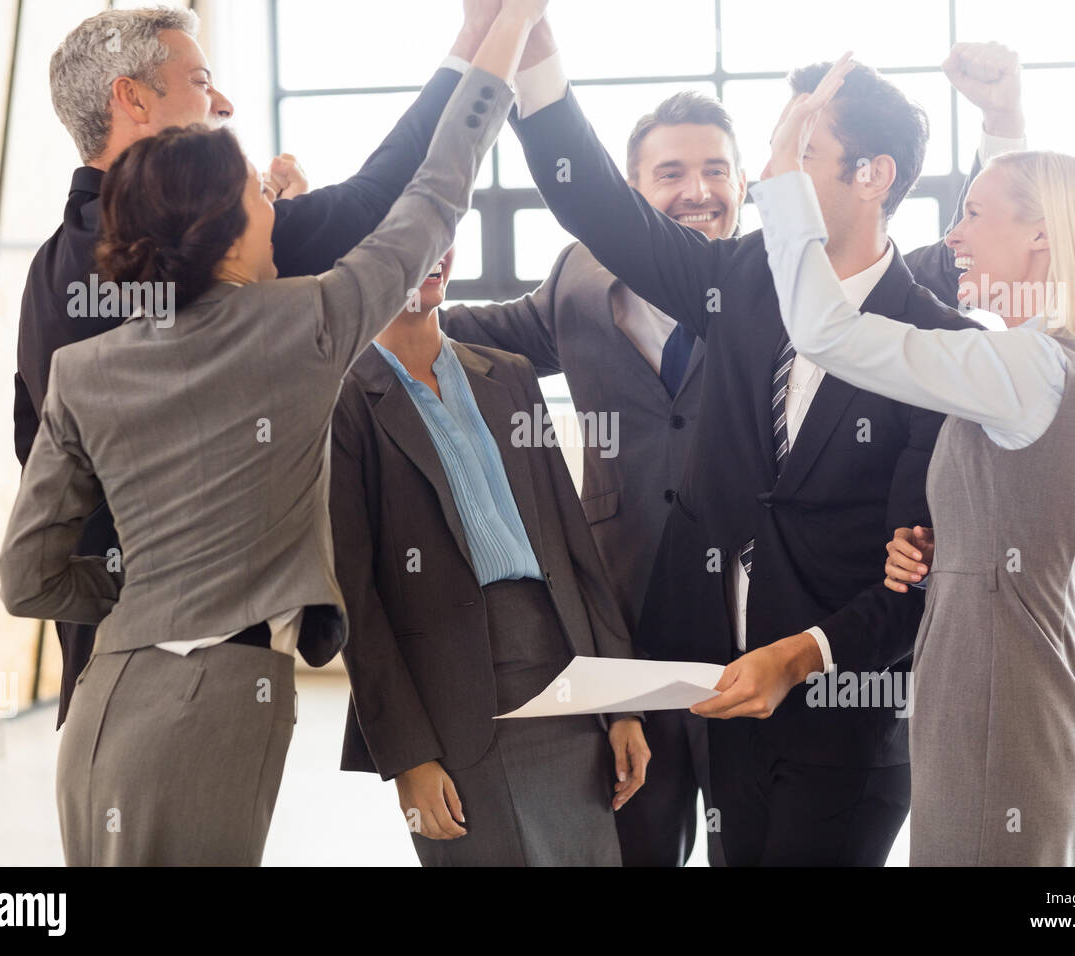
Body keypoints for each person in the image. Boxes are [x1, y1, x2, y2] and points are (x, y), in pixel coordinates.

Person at [0, 2, 541, 865]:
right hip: (211, 694)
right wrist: (502, 38)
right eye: (259, 197)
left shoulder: (65, 314)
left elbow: (28, 570)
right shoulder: (300, 324)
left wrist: (135, 603)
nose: (275, 206)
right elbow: (424, 198)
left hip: (107, 699)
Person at [506, 21, 1022, 866]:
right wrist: (527, 40)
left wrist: (796, 659)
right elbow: (596, 202)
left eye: (799, 148)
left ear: (872, 176)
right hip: (720, 702)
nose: (768, 172)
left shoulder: (938, 346)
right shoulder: (740, 277)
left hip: (843, 724)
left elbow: (912, 580)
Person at [751, 54, 1075, 864]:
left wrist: (781, 177)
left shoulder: (1029, 368)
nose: (953, 235)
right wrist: (957, 556)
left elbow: (828, 333)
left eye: (972, 214)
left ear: (1040, 236)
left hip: (996, 720)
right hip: (1039, 711)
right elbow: (1068, 560)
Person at [438, 87, 745, 867]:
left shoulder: (775, 280)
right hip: (624, 605)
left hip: (751, 613)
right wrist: (361, 295)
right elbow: (494, 335)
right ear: (630, 193)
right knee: (636, 835)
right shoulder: (579, 271)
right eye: (671, 172)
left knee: (754, 835)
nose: (697, 191)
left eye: (717, 169)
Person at [330, 244, 648, 866]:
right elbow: (353, 598)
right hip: (448, 700)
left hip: (565, 677)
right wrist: (408, 757)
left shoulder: (511, 374)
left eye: (444, 229)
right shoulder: (339, 402)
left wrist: (621, 704)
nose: (432, 250)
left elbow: (573, 543)